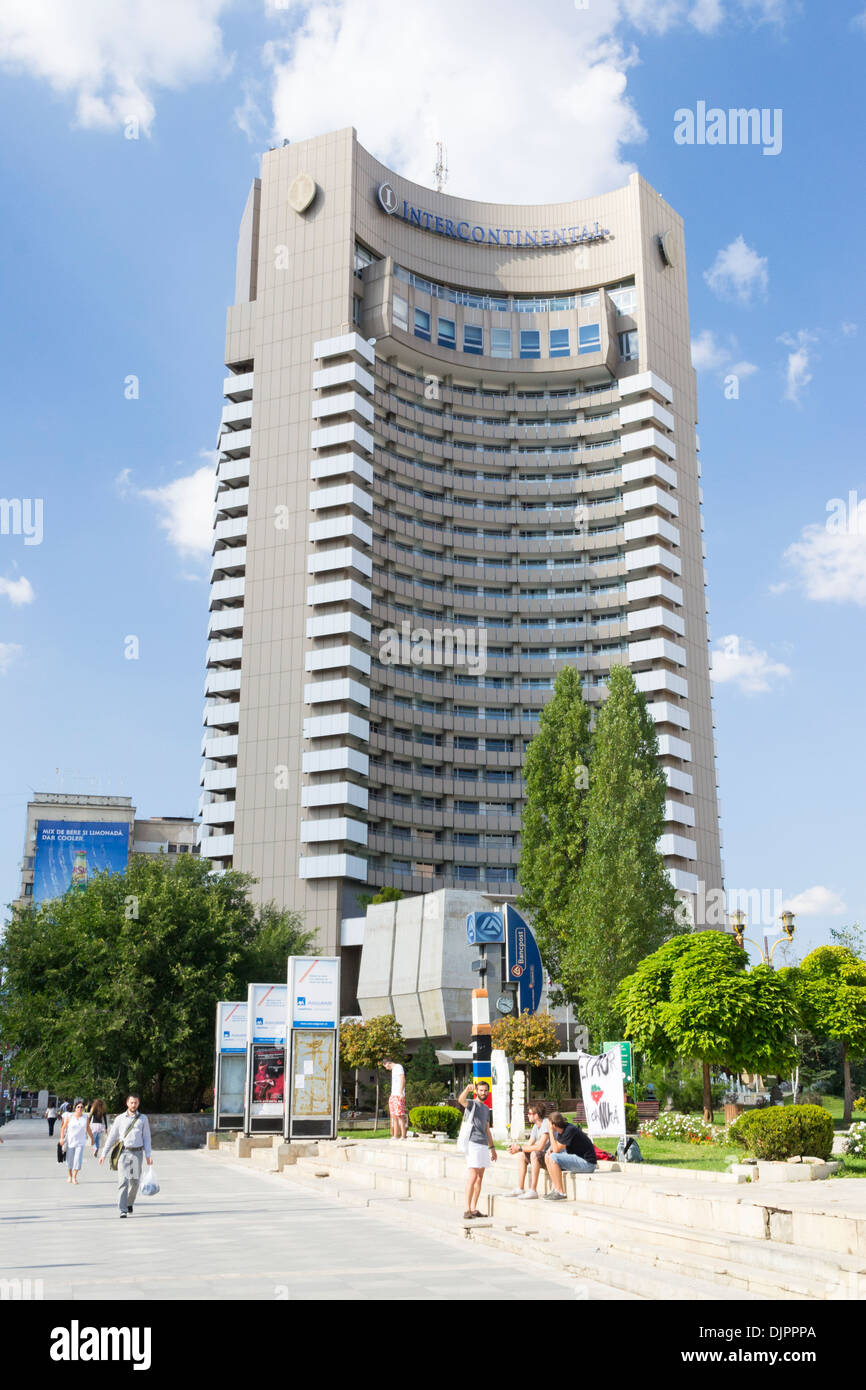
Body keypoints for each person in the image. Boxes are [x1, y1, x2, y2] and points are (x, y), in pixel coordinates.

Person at [98, 1094, 153, 1218]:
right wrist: (104, 1154)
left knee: (135, 1182)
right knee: (123, 1181)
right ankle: (123, 1209)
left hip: (137, 1153)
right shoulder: (120, 1119)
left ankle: (129, 1203)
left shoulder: (143, 1119)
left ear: (138, 1104)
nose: (134, 1105)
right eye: (132, 1102)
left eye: (136, 1103)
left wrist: (148, 1155)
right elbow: (112, 1137)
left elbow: (147, 1138)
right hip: (124, 1153)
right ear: (127, 1103)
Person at [457, 1080, 497, 1219]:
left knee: (480, 1178)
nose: (483, 1093)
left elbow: (487, 1129)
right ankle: (467, 1209)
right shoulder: (472, 1104)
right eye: (481, 1090)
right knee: (473, 1176)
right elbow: (460, 1100)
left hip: (483, 1144)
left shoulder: (486, 1109)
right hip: (472, 1143)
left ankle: (474, 1208)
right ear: (477, 1091)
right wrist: (467, 1089)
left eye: (486, 1090)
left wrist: (492, 1148)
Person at [543, 1111, 597, 1199]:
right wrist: (551, 1150)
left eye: (549, 1124)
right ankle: (556, 1189)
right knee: (547, 1156)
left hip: (588, 1164)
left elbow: (556, 1150)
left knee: (553, 1157)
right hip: (579, 1159)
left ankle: (560, 1192)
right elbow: (557, 1147)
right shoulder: (562, 1130)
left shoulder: (569, 1130)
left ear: (553, 1125)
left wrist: (550, 1132)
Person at [506, 1100, 551, 1199]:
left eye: (530, 1113)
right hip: (543, 1156)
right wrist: (516, 1149)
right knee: (522, 1155)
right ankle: (520, 1188)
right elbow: (529, 1144)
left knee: (534, 1154)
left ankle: (533, 1190)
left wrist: (520, 1148)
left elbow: (540, 1147)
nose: (528, 1115)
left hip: (552, 1157)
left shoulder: (546, 1124)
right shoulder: (536, 1126)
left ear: (537, 1115)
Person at [59, 1101, 92, 1185]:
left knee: (77, 1160)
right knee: (70, 1160)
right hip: (70, 1142)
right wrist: (62, 1138)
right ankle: (69, 1175)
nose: (80, 1108)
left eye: (81, 1107)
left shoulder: (85, 1117)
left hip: (80, 1142)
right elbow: (63, 1128)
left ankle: (74, 1177)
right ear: (75, 1108)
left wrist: (92, 1138)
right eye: (78, 1107)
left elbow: (88, 1128)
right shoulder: (70, 1117)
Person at [383, 1058, 407, 1139]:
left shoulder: (399, 1067)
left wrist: (401, 1093)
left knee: (400, 1115)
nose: (386, 1068)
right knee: (393, 1116)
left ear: (388, 1063)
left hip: (398, 1095)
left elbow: (403, 1079)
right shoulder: (393, 1070)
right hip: (393, 1095)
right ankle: (395, 1135)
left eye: (385, 1066)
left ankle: (403, 1136)